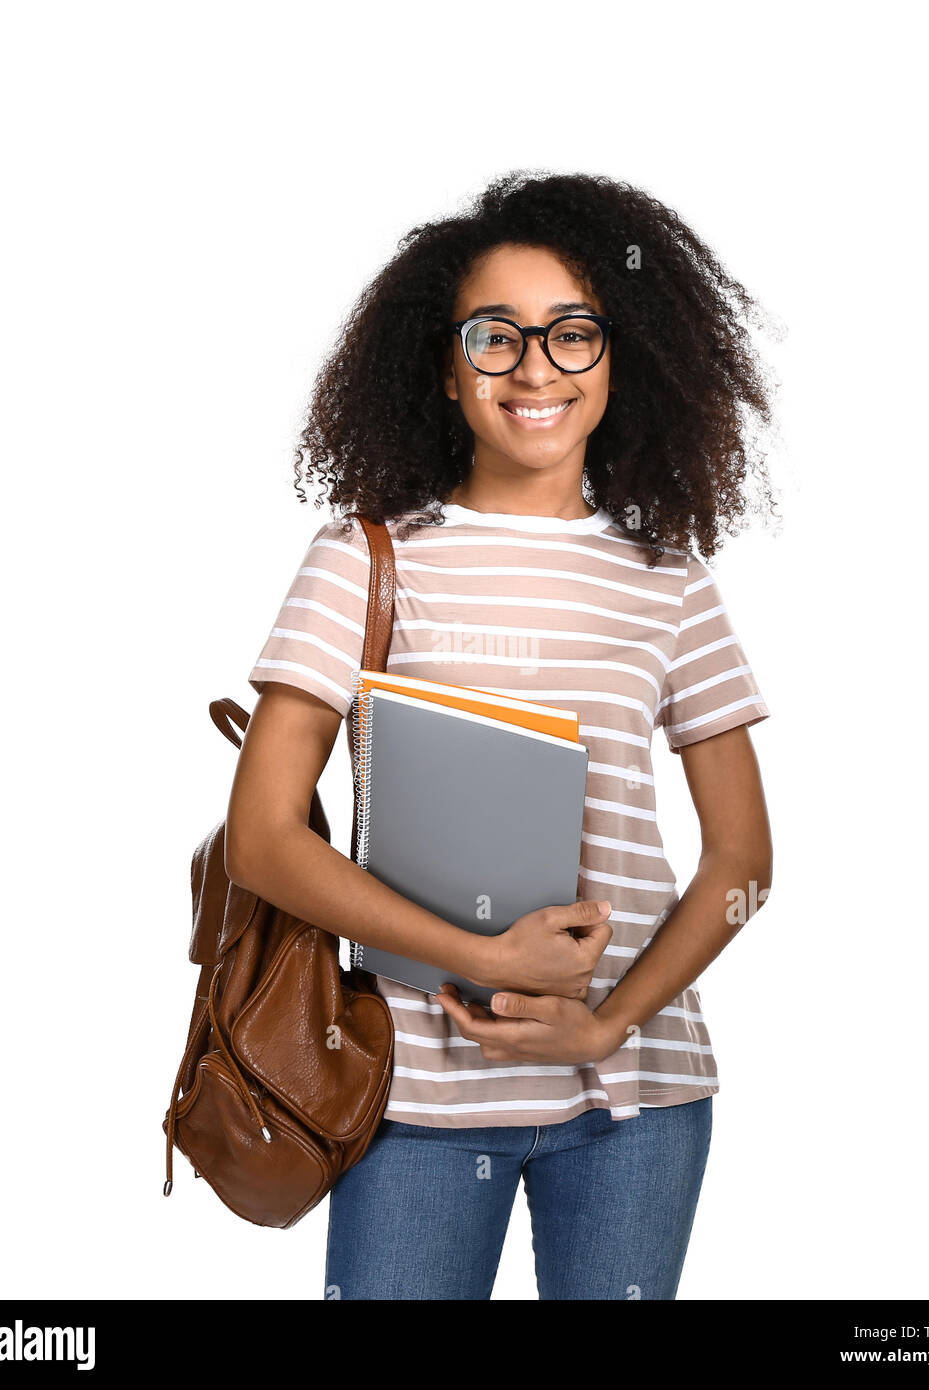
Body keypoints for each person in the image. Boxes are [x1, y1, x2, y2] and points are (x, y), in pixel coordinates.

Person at [225, 171, 776, 1300]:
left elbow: (743, 863)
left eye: (572, 334)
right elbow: (263, 839)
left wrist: (604, 1024)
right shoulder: (364, 559)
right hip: (414, 1100)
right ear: (445, 363)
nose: (536, 368)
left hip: (636, 1103)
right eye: (497, 337)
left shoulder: (670, 584)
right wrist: (484, 960)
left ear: (620, 360)